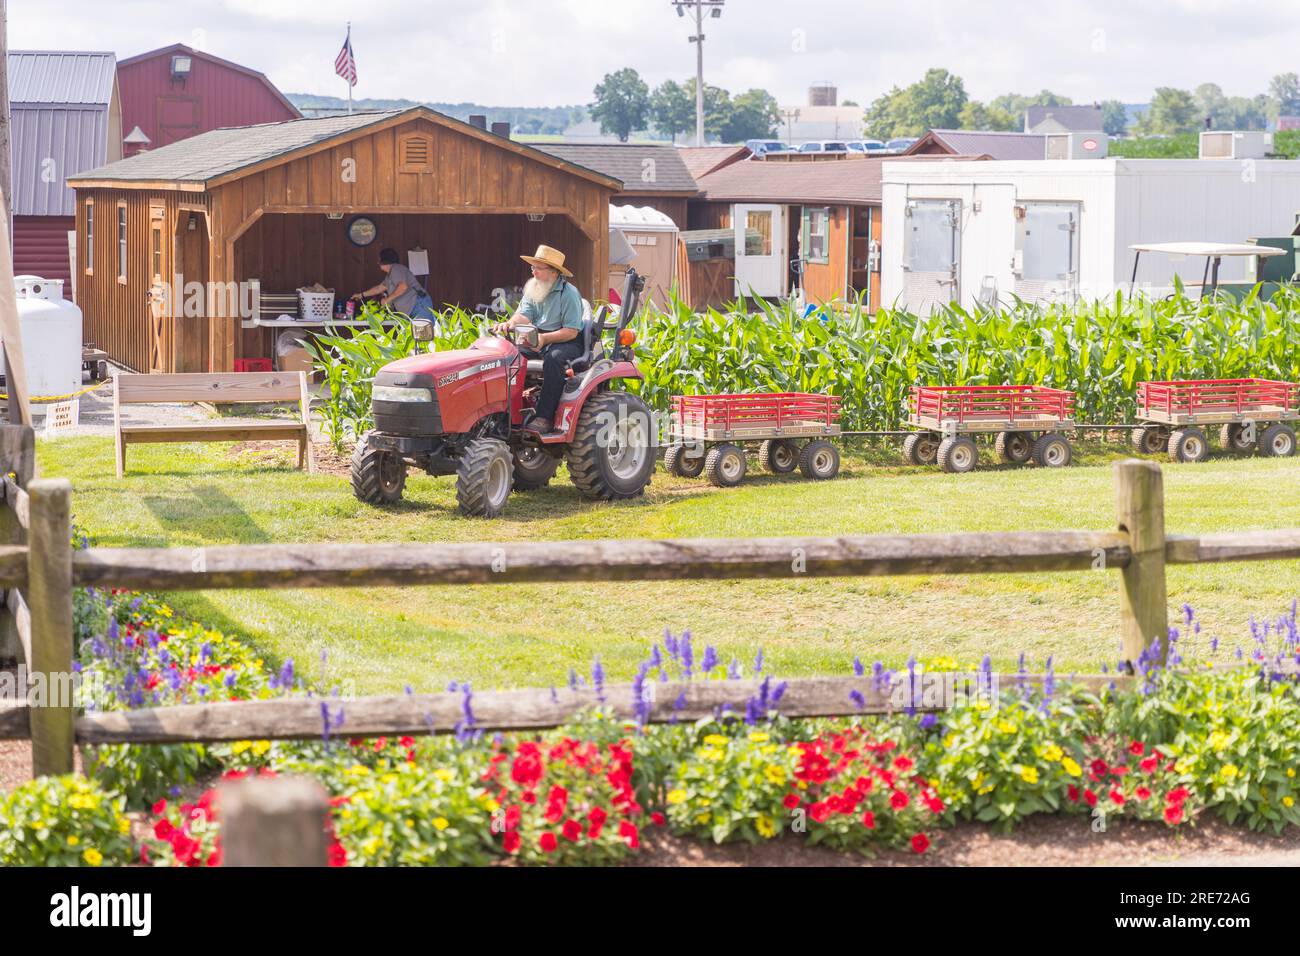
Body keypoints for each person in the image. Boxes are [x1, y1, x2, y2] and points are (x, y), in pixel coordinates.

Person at [492, 245, 585, 434]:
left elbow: (572, 331)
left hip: (566, 340)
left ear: (553, 272)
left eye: (537, 268)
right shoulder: (534, 288)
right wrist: (508, 324)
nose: (533, 271)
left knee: (554, 359)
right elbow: (523, 316)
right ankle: (507, 413)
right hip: (539, 338)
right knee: (508, 355)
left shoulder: (569, 294)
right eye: (532, 267)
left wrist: (543, 338)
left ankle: (544, 417)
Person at [354, 248, 436, 320]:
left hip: (418, 306)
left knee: (423, 336)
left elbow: (403, 286)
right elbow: (379, 288)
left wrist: (387, 300)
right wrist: (361, 295)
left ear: (383, 260)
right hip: (412, 310)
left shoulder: (396, 268)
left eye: (379, 259)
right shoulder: (390, 275)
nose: (377, 262)